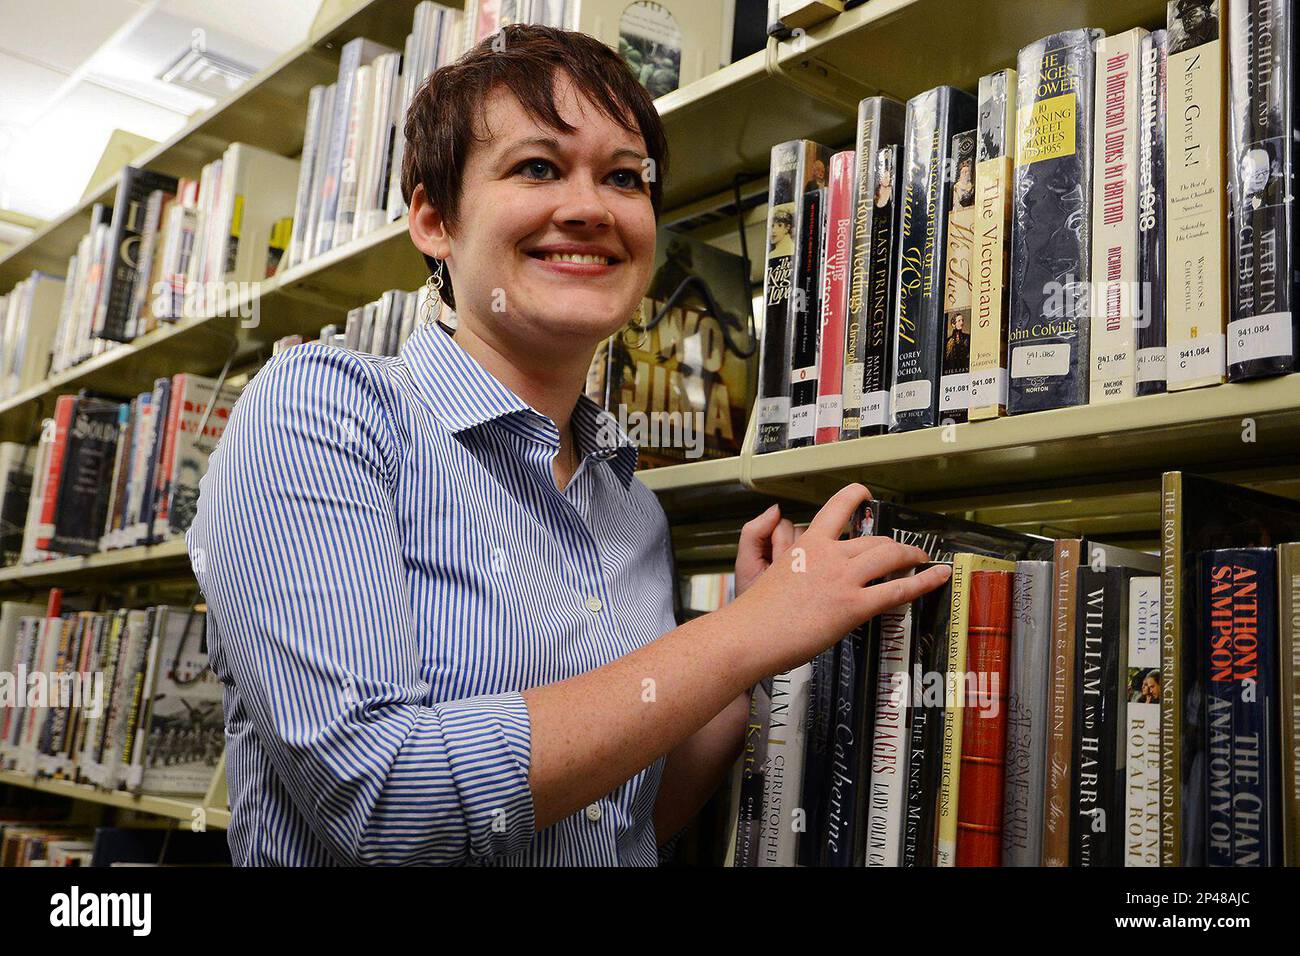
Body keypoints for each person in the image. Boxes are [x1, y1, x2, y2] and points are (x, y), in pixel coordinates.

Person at [187, 24, 950, 866]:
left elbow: (625, 821)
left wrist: (749, 654)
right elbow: (386, 803)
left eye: (625, 178)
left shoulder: (631, 509)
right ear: (435, 220)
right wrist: (746, 635)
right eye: (537, 167)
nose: (590, 208)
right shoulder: (321, 412)